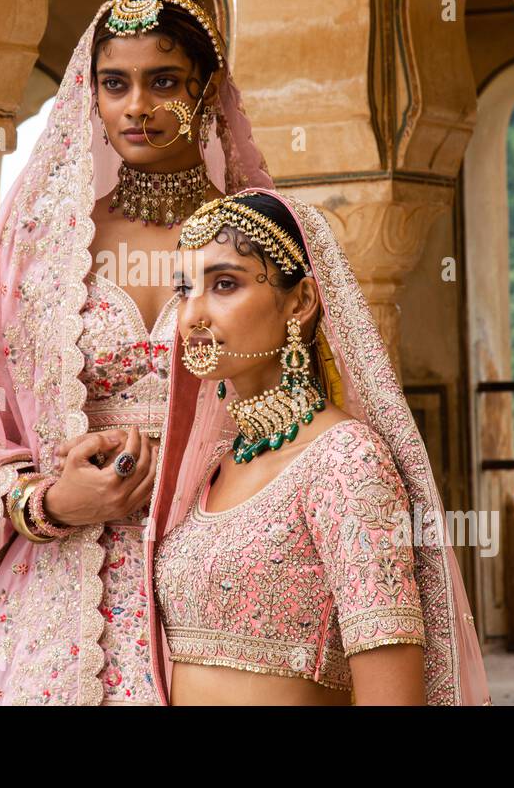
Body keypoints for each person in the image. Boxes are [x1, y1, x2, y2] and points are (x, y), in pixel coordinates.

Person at [0, 0, 274, 705]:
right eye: (115, 84)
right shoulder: (43, 247)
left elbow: (304, 404)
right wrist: (52, 501)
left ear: (207, 93)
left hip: (224, 560)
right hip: (63, 594)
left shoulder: (261, 243)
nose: (136, 107)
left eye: (165, 82)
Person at [148, 189, 493, 705]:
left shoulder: (345, 461)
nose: (192, 314)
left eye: (224, 284)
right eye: (184, 289)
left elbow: (392, 696)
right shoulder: (209, 467)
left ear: (302, 302)